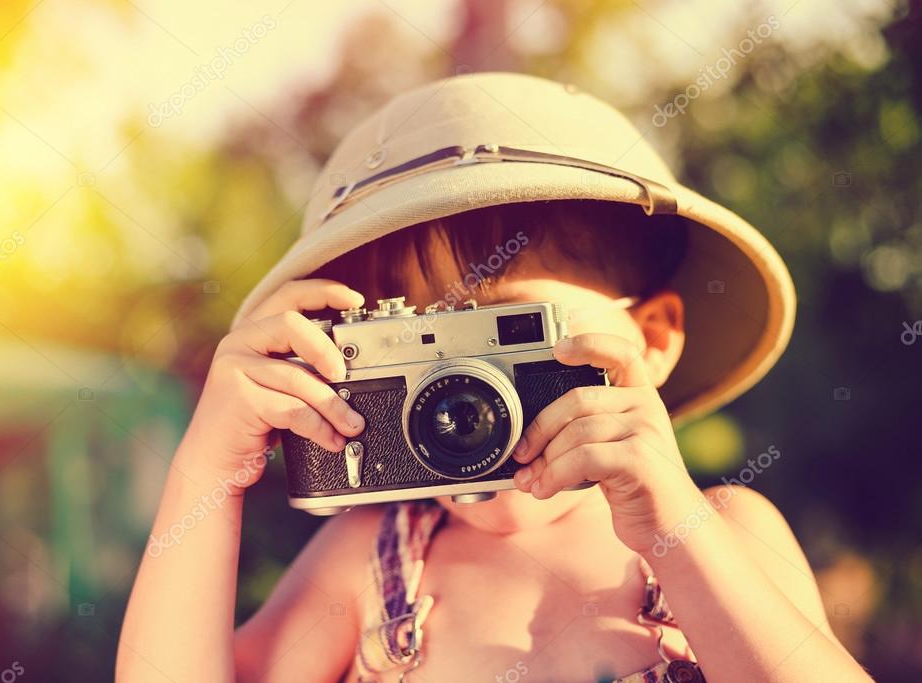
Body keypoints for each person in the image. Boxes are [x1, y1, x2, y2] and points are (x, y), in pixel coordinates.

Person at [117, 73, 872, 682]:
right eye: (412, 344)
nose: (460, 393)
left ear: (648, 339)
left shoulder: (726, 532)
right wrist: (205, 475)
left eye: (505, 337)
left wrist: (676, 531)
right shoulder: (370, 562)